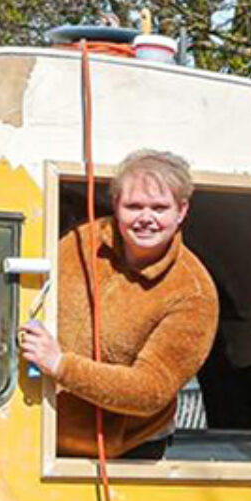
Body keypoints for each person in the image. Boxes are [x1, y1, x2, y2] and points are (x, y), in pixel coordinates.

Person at [18, 149, 219, 460]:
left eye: (159, 208)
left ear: (181, 211)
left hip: (128, 449)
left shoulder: (193, 293)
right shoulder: (79, 241)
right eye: (134, 206)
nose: (146, 218)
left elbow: (151, 389)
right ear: (115, 205)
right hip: (36, 429)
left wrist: (61, 365)